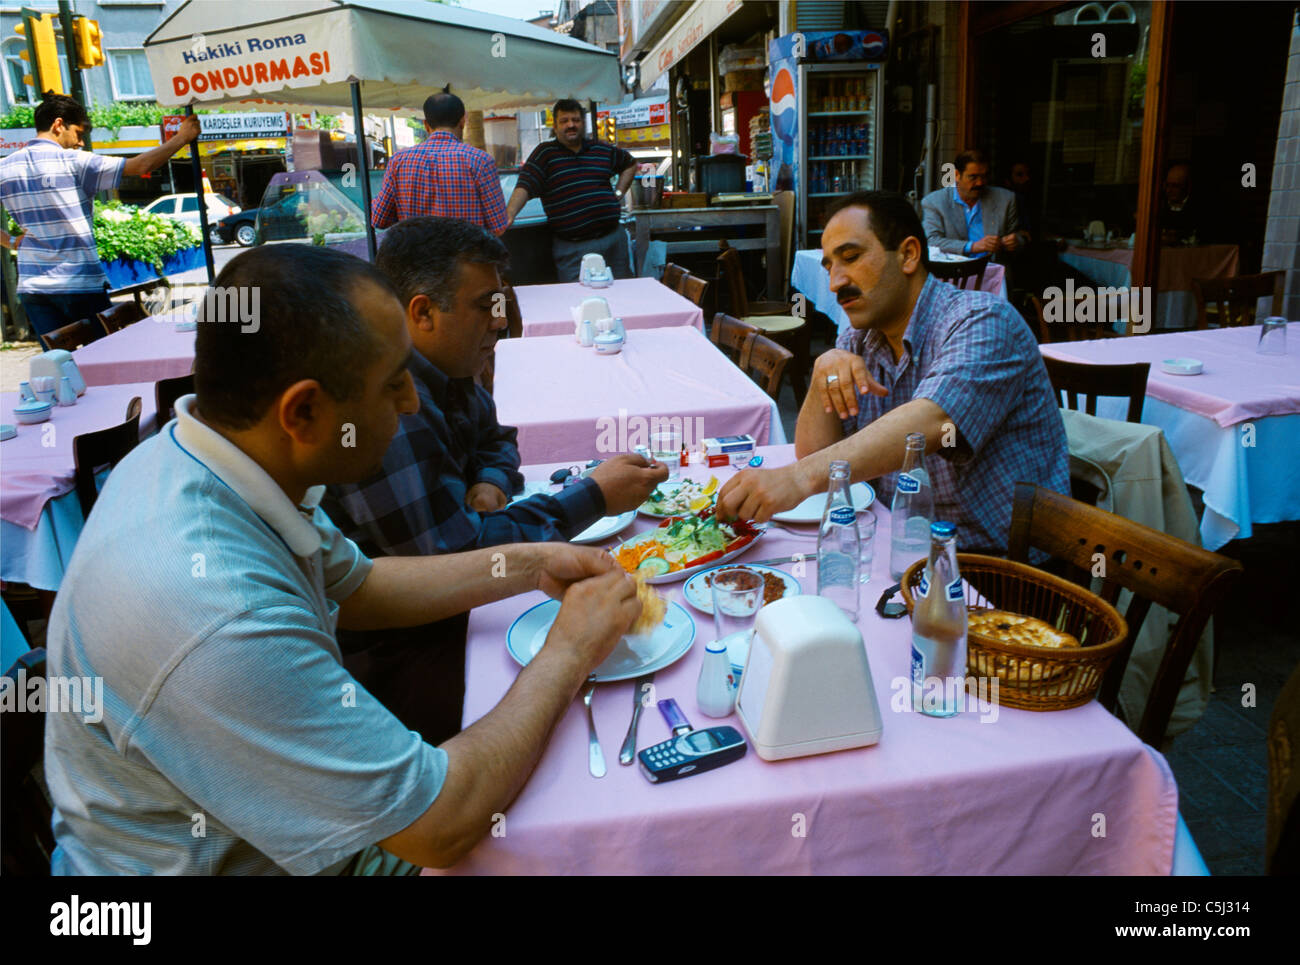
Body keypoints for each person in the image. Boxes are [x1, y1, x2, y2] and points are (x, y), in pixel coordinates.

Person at [43, 244, 642, 875]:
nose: (413, 404)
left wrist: (527, 564)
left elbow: (361, 586)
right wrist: (570, 651)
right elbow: (440, 825)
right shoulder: (216, 614)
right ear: (302, 412)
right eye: (392, 383)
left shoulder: (203, 456)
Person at [322, 216, 666, 741]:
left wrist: (490, 483)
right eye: (486, 306)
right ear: (423, 312)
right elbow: (454, 558)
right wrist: (594, 496)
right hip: (399, 663)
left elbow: (499, 438)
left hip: (464, 609)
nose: (501, 323)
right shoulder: (386, 404)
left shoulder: (448, 371)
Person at [717, 191, 1069, 556]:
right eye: (828, 267)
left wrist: (795, 479)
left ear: (909, 254)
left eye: (850, 258)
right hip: (900, 547)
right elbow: (818, 457)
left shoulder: (983, 320)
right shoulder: (860, 337)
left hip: (996, 570)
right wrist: (823, 374)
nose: (836, 282)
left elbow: (933, 423)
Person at [0, 94, 200, 346]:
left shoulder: (6, 167)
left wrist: (11, 242)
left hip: (34, 286)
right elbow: (141, 166)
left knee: (60, 364)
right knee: (106, 357)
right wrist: (182, 138)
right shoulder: (74, 162)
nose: (80, 142)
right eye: (78, 133)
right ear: (58, 125)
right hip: (79, 281)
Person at [504, 99, 637, 280]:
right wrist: (508, 215)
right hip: (573, 249)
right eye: (564, 121)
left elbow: (630, 164)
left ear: (583, 123)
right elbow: (525, 186)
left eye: (575, 120)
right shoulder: (545, 154)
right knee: (577, 302)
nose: (571, 125)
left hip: (614, 241)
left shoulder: (600, 149)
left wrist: (618, 194)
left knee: (624, 298)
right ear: (556, 126)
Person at [370, 92, 508, 234]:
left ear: (425, 124)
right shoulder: (481, 161)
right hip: (466, 255)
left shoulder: (398, 161)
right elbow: (499, 226)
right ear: (463, 121)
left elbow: (379, 219)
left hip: (415, 254)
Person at [921, 148, 1027, 262]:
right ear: (956, 175)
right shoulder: (935, 202)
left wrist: (1016, 242)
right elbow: (931, 241)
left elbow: (1019, 237)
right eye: (973, 177)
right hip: (952, 273)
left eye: (984, 176)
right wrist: (973, 246)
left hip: (994, 270)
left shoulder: (1006, 199)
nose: (980, 182)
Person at [1159, 162, 1202, 244]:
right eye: (1167, 185)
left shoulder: (1196, 209)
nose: (1169, 190)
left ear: (1188, 187)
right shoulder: (1159, 206)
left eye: (1175, 186)